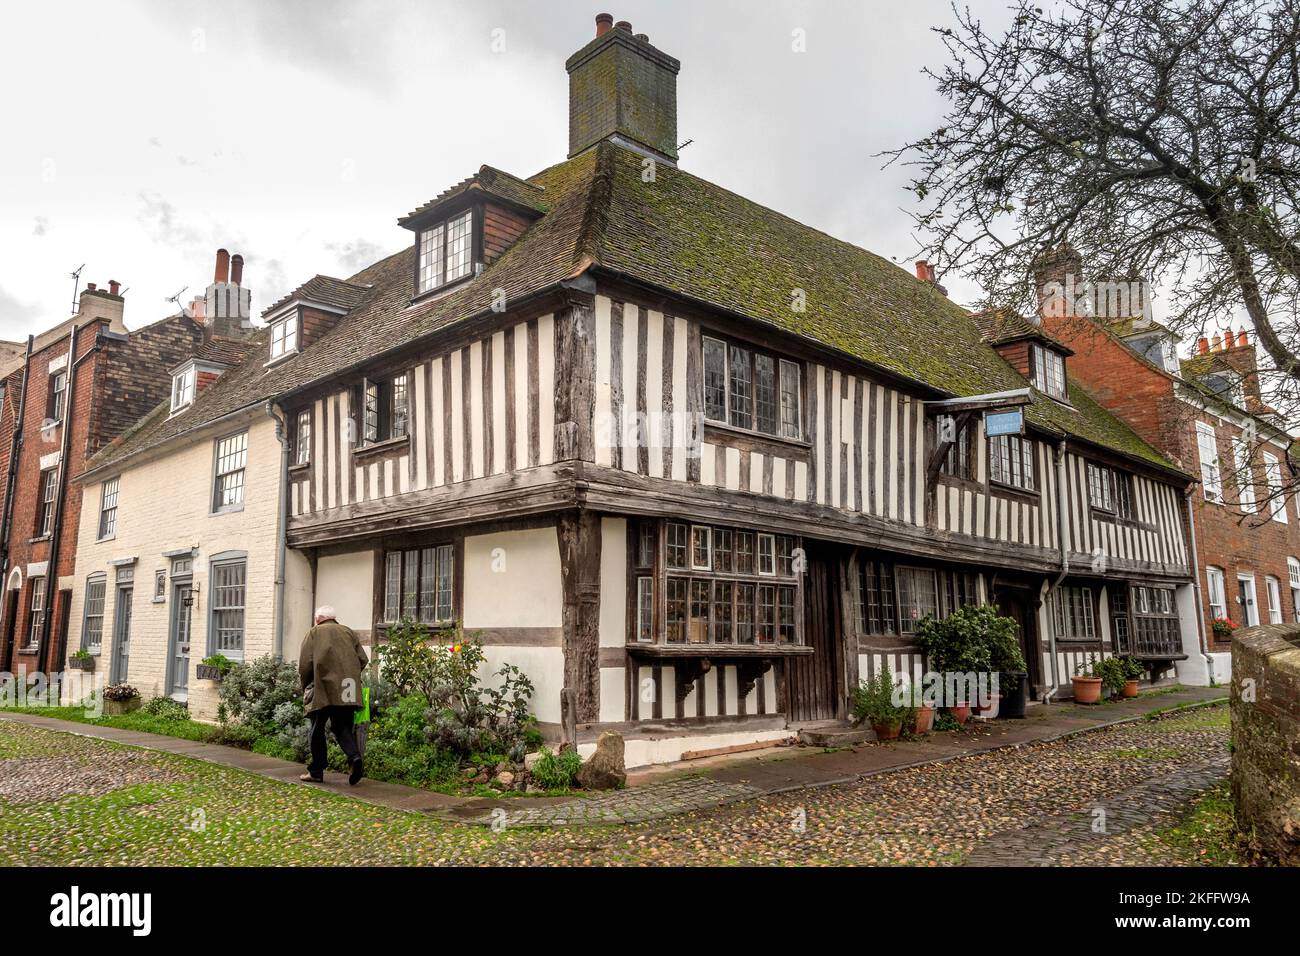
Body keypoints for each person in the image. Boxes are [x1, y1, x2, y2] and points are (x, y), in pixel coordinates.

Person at [297, 605, 368, 785]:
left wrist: (305, 685)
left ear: (318, 619)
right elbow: (363, 660)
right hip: (348, 688)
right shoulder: (348, 632)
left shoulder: (314, 633)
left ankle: (316, 771)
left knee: (317, 729)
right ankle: (354, 758)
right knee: (343, 727)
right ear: (334, 618)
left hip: (322, 688)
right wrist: (348, 674)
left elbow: (305, 664)